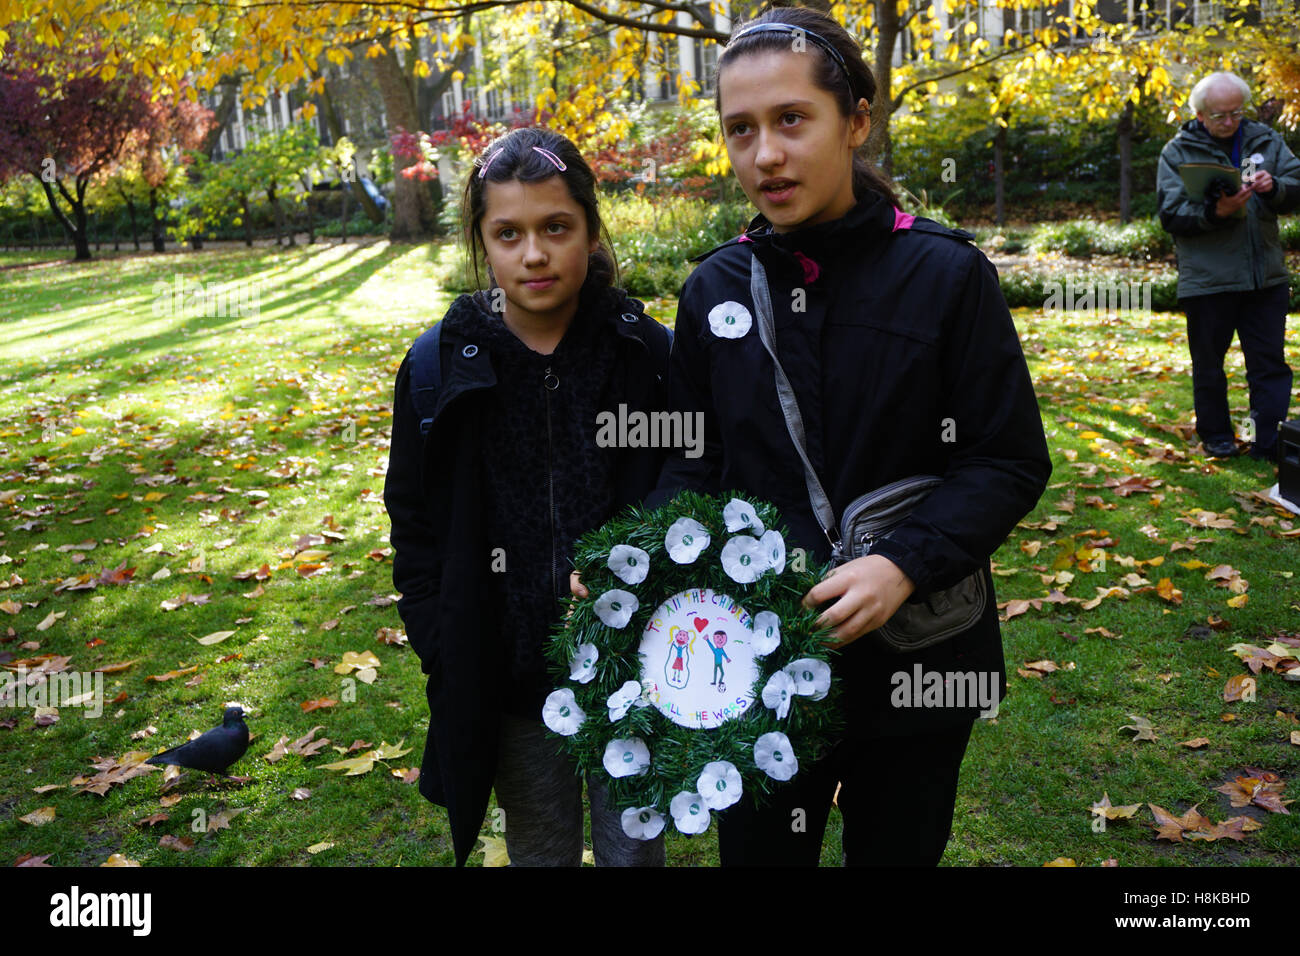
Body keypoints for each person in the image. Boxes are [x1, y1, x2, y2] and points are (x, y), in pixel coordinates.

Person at [575, 6, 1050, 866]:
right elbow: (695, 460)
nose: (765, 155)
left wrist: (904, 562)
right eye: (741, 129)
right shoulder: (714, 287)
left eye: (792, 119)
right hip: (756, 663)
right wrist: (632, 555)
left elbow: (1006, 458)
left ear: (856, 121)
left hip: (921, 662)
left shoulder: (946, 277)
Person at [384, 127, 671, 867]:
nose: (534, 254)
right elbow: (414, 522)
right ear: (482, 242)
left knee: (633, 852)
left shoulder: (647, 356)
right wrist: (442, 644)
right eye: (507, 233)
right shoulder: (438, 366)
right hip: (508, 677)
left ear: (591, 229)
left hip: (633, 674)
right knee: (539, 848)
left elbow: (688, 491)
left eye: (555, 228)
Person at [1157, 71, 1300, 462]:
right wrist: (1215, 211)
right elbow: (1170, 215)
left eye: (1237, 112)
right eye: (1221, 115)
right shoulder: (1178, 151)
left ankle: (1266, 441)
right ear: (1200, 114)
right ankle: (1217, 435)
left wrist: (1277, 189)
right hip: (1209, 280)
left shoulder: (1265, 139)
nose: (1230, 121)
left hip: (1265, 275)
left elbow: (1296, 184)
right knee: (1209, 365)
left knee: (1269, 366)